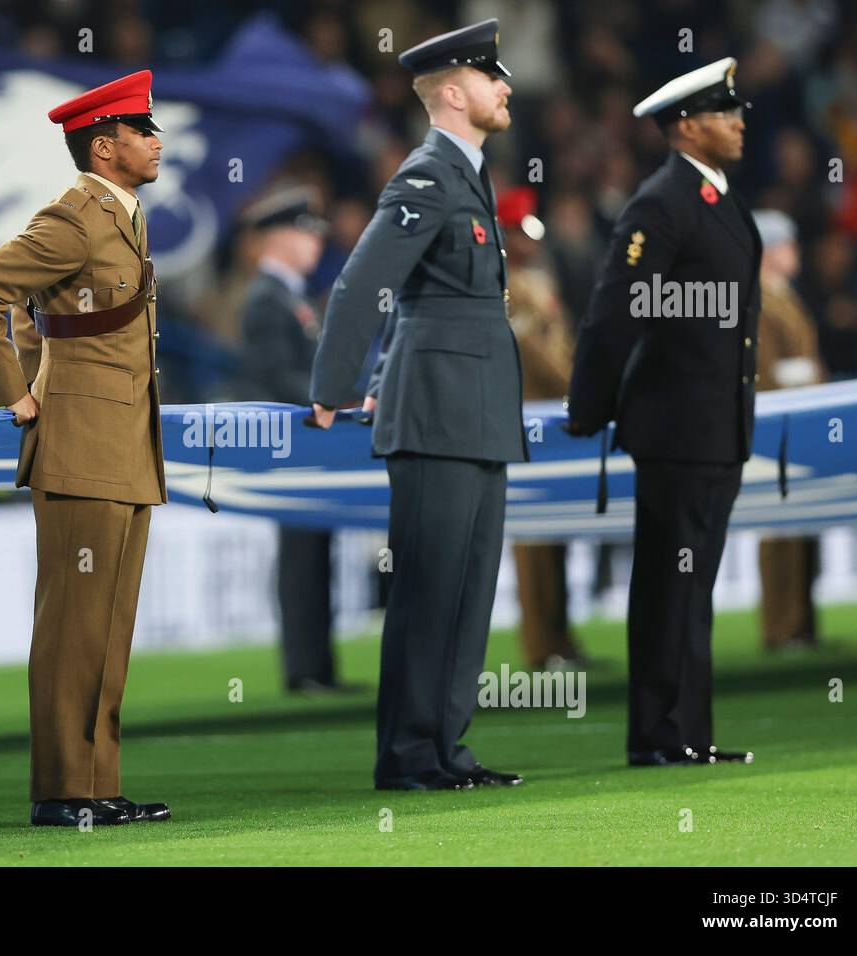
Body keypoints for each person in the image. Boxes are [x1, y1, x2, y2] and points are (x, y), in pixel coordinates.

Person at [310, 19, 527, 792]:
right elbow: (361, 280)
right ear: (458, 91)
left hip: (474, 411)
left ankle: (445, 749)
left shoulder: (466, 173)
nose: (507, 87)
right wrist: (334, 385)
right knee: (430, 589)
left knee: (468, 592)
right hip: (437, 411)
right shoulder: (432, 174)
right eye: (493, 77)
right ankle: (408, 755)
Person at [0, 70, 171, 827]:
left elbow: (47, 316)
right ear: (105, 146)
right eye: (143, 131)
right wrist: (11, 392)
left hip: (121, 442)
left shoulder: (122, 215)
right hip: (83, 443)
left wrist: (40, 360)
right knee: (76, 624)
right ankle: (62, 792)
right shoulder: (77, 218)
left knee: (108, 624)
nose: (157, 140)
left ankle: (95, 785)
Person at [565, 58, 760, 767]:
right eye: (724, 113)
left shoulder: (712, 197)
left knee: (692, 585)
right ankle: (659, 735)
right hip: (678, 426)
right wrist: (589, 405)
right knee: (670, 585)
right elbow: (615, 307)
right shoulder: (662, 201)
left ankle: (687, 732)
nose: (740, 123)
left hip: (714, 425)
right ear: (686, 125)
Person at [238, 187, 347, 693]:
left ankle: (319, 666)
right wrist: (328, 400)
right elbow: (273, 377)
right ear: (278, 238)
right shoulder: (267, 299)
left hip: (306, 445)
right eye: (305, 232)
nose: (314, 243)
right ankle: (304, 669)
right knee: (302, 556)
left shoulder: (289, 296)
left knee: (316, 553)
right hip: (289, 446)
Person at [498, 187, 586, 671]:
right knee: (533, 538)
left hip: (550, 414)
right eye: (522, 232)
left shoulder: (535, 278)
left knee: (555, 532)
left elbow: (562, 345)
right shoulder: (509, 286)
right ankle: (540, 645)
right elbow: (535, 353)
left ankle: (561, 638)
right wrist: (576, 387)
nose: (532, 241)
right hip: (530, 415)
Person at [752, 209, 824, 652]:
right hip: (777, 425)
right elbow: (765, 372)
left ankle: (800, 622)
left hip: (800, 423)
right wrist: (803, 376)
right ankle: (780, 625)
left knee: (802, 527)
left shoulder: (785, 295)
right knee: (779, 529)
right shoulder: (759, 298)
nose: (794, 251)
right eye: (786, 244)